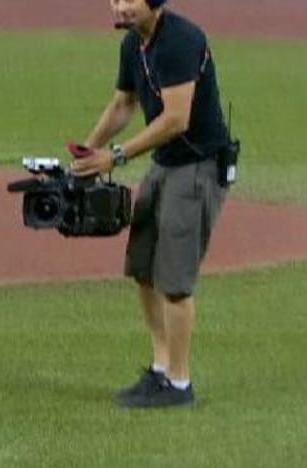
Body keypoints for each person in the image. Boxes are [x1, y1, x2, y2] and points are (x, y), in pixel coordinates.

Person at [72, 0, 234, 408]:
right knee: (143, 268)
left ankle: (179, 384)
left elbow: (176, 119)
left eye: (129, 0)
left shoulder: (181, 40)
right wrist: (87, 153)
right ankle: (161, 369)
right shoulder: (133, 44)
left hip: (197, 167)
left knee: (175, 281)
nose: (119, 7)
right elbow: (123, 104)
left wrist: (116, 156)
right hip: (166, 164)